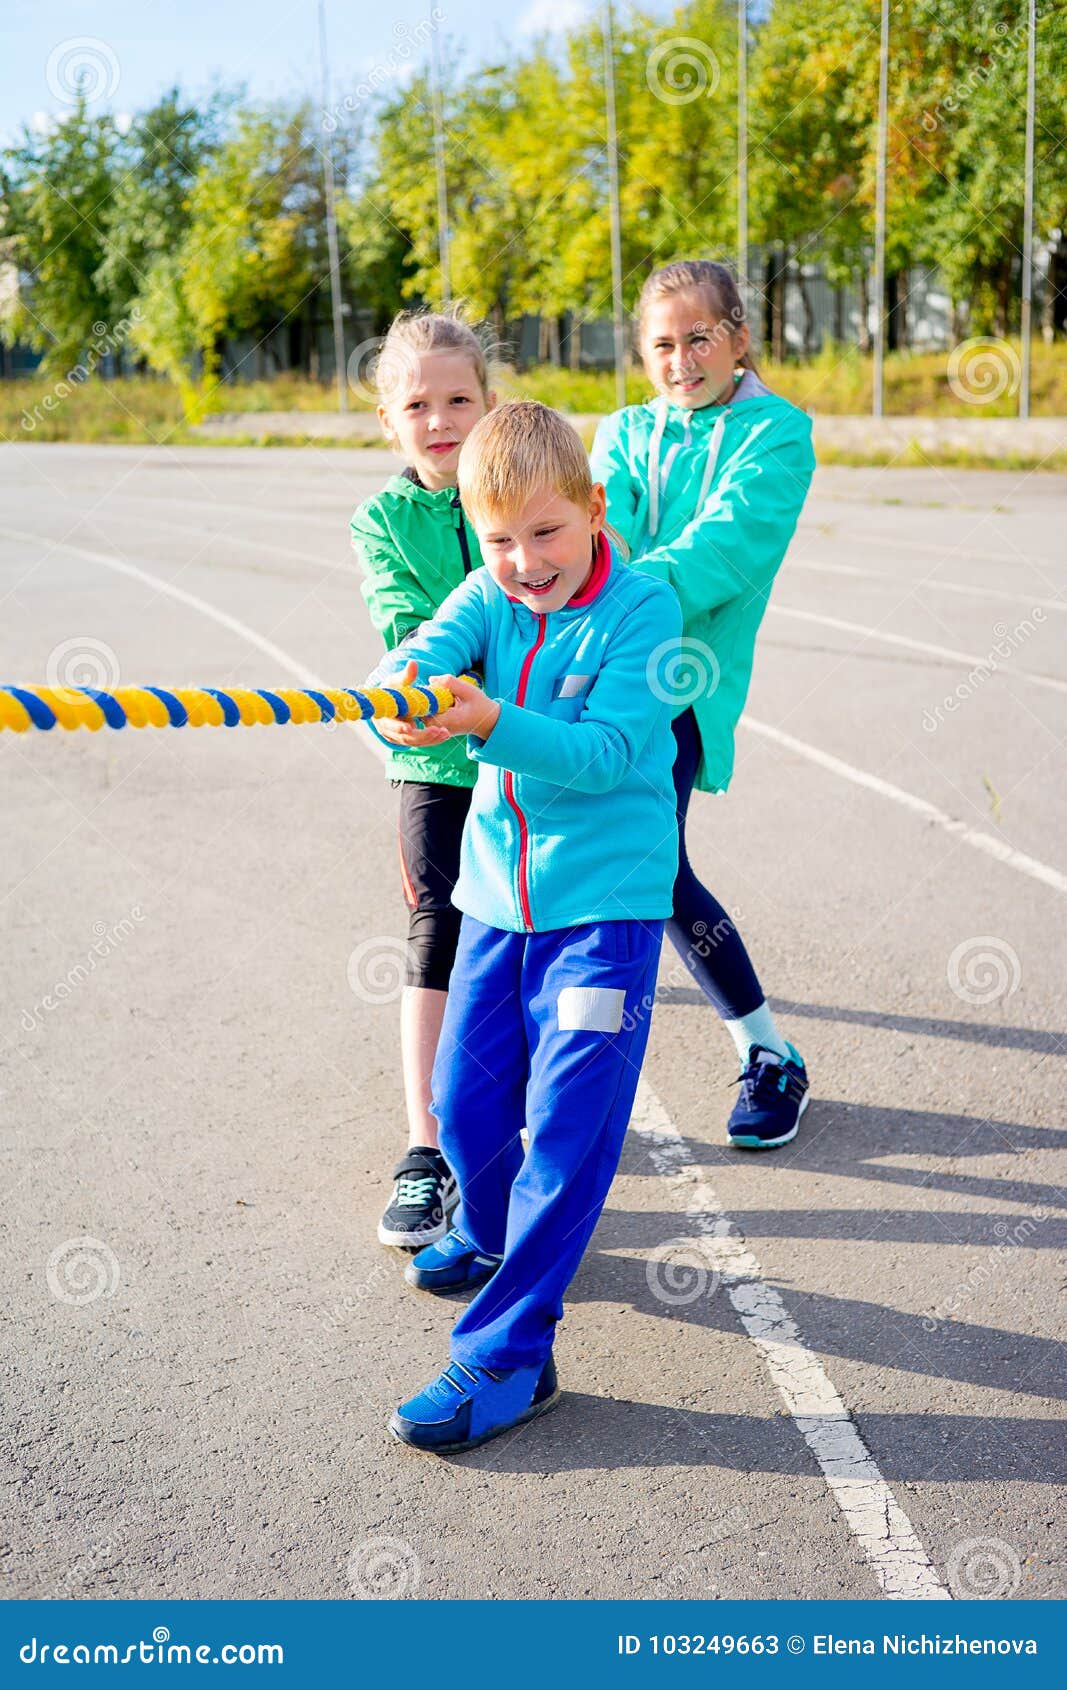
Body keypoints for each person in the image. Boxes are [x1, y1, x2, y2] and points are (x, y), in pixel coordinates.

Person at [362, 401, 680, 1453]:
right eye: (496, 540)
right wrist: (398, 690)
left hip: (605, 915)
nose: (522, 562)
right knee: (463, 1105)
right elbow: (423, 648)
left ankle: (509, 1353)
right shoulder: (486, 592)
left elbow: (596, 758)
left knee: (569, 1126)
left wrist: (489, 719)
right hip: (496, 904)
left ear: (591, 511)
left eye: (544, 533)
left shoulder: (641, 612)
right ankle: (489, 1232)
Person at [591, 259, 815, 1150]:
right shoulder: (621, 431)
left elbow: (722, 550)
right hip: (594, 675)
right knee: (619, 870)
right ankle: (560, 1064)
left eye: (697, 338)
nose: (679, 359)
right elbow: (600, 525)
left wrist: (607, 592)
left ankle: (769, 1056)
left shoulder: (777, 435)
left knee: (650, 871)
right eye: (661, 344)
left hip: (678, 689)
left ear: (738, 337)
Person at [349, 309, 495, 1247]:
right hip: (436, 755)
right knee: (437, 923)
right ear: (387, 419)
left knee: (525, 927)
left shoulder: (517, 485)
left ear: (491, 404)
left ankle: (508, 1109)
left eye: (458, 399)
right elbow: (402, 621)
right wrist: (426, 677)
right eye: (417, 404)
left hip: (525, 750)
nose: (439, 419)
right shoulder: (379, 521)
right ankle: (424, 1149)